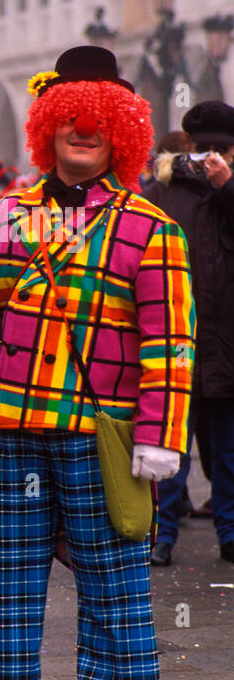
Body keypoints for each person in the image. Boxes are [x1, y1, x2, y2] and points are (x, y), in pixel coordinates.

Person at [0, 46, 194, 680]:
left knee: (111, 574)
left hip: (99, 432)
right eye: (68, 118)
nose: (82, 130)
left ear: (120, 133)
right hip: (11, 427)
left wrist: (160, 434)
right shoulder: (5, 216)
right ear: (48, 127)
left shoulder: (152, 228)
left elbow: (171, 344)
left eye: (97, 121)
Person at [141, 101, 234, 566]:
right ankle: (163, 533)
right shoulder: (163, 188)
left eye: (223, 148)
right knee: (170, 441)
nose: (212, 156)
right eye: (204, 148)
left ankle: (230, 532)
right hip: (176, 335)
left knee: (228, 448)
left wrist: (227, 189)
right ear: (188, 147)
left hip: (229, 338)